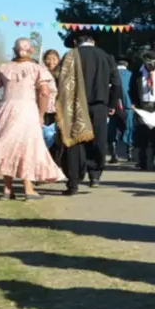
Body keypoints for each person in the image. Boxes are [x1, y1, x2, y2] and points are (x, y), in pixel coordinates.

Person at [0, 38, 64, 199]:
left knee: (5, 146)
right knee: (27, 147)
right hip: (27, 110)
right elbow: (44, 92)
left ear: (14, 50)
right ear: (30, 51)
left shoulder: (4, 68)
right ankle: (28, 189)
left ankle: (7, 190)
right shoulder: (37, 69)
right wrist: (42, 114)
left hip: (6, 109)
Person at [59, 35, 121, 194]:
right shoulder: (106, 57)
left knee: (75, 141)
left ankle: (73, 181)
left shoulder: (70, 55)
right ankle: (95, 175)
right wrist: (112, 104)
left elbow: (61, 80)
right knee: (98, 139)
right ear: (94, 41)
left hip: (75, 104)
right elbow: (116, 83)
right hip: (99, 105)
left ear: (76, 42)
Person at [109, 57, 134, 163]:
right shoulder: (131, 75)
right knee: (129, 128)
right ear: (127, 64)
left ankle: (114, 154)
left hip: (113, 105)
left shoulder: (110, 74)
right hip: (128, 106)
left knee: (112, 129)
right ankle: (129, 154)